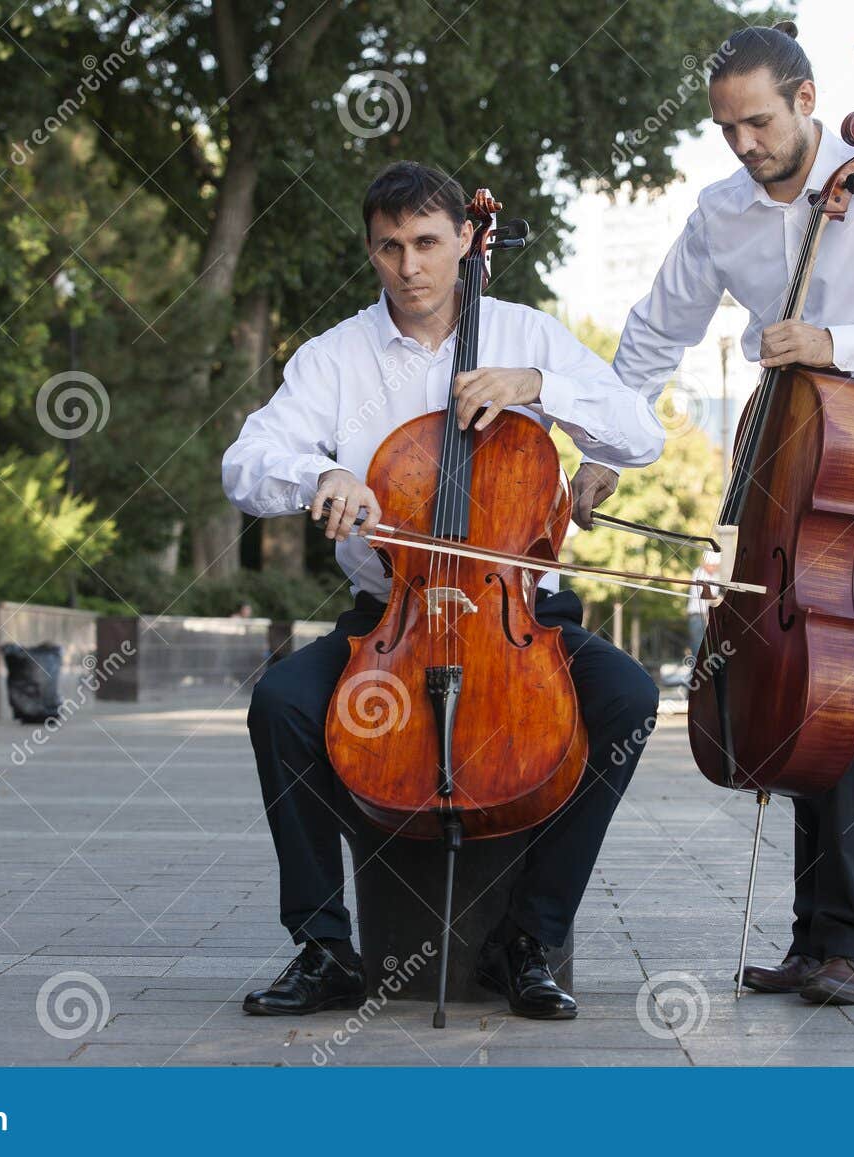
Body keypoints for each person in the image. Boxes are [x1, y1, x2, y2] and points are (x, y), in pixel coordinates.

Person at [221, 161, 665, 1020]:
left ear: (467, 240)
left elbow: (641, 434)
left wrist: (541, 388)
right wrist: (323, 472)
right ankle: (323, 946)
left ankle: (528, 938)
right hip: (396, 612)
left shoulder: (527, 335)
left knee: (628, 698)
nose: (410, 266)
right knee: (279, 702)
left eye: (428, 243)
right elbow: (244, 463)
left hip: (520, 611)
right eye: (390, 247)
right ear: (371, 250)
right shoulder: (335, 357)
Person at [608, 22, 854, 1005]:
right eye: (726, 128)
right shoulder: (720, 214)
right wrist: (606, 448)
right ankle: (811, 936)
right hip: (783, 459)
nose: (743, 144)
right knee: (807, 685)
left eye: (759, 121)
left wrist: (837, 340)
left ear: (807, 98)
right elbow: (657, 331)